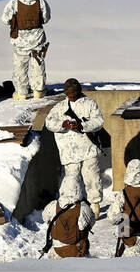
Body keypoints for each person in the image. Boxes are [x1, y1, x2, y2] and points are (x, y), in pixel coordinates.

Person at [45, 78, 105, 214]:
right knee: (71, 181)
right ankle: (73, 208)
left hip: (88, 148)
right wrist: (63, 124)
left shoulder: (89, 104)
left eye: (74, 94)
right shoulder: (60, 107)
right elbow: (49, 123)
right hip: (69, 151)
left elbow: (99, 121)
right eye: (69, 95)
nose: (72, 97)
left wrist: (82, 126)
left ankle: (95, 206)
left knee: (92, 178)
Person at [1, 0, 51, 100]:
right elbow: (46, 18)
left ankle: (22, 93)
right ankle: (38, 91)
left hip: (20, 40)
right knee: (38, 64)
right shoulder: (40, 1)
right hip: (37, 38)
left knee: (20, 66)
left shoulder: (14, 2)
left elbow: (4, 19)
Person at [40, 177, 94, 258]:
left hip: (57, 249)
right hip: (77, 250)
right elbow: (91, 221)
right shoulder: (84, 207)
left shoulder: (53, 205)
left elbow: (45, 217)